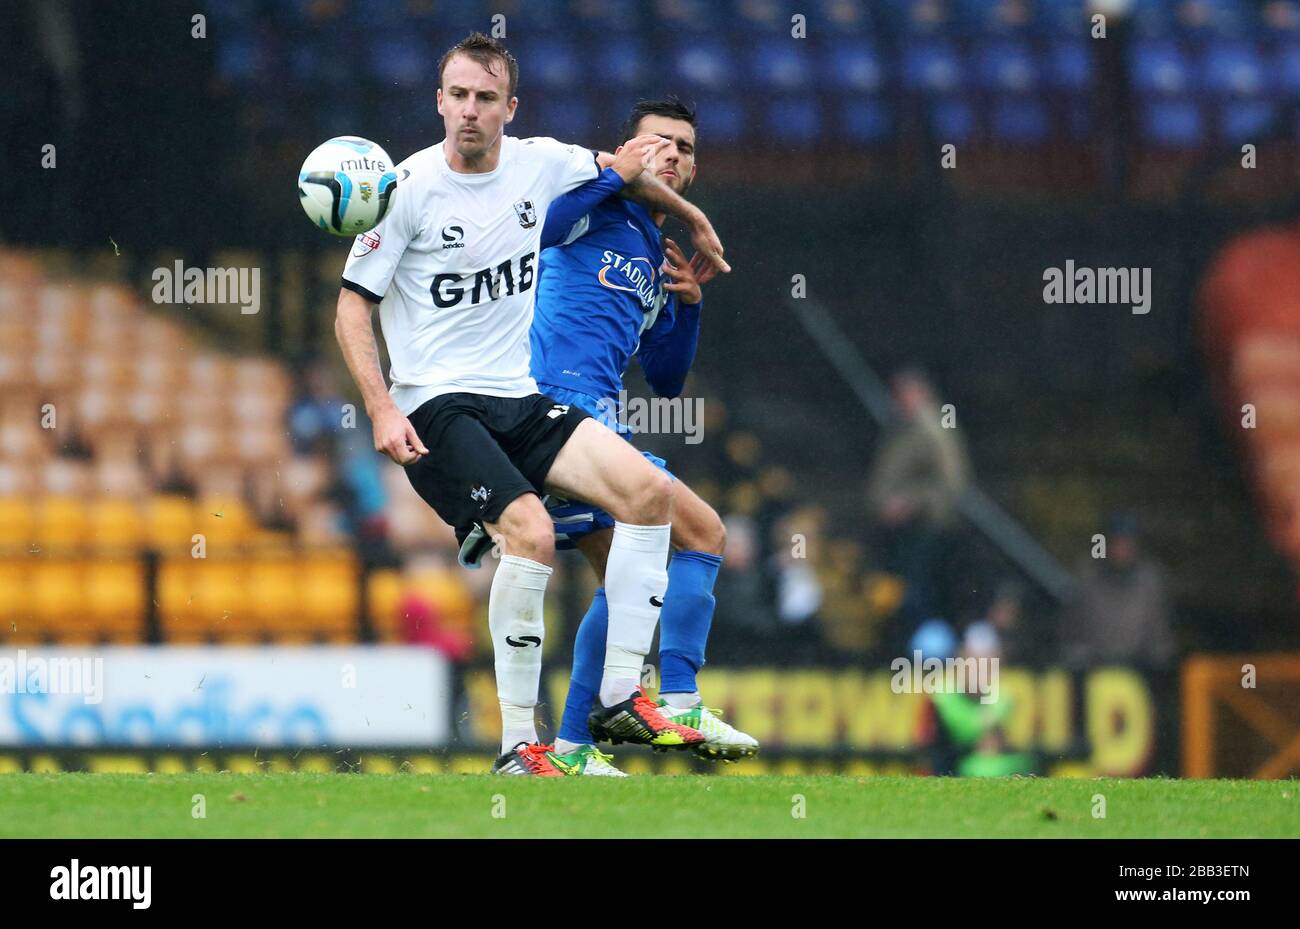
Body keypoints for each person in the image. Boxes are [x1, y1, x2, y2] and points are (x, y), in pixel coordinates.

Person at [333, 34, 729, 776]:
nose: (470, 111)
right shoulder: (405, 188)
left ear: (510, 108)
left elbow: (625, 171)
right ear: (439, 101)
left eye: (486, 98)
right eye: (457, 95)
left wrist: (691, 217)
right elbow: (352, 309)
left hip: (518, 398)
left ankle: (618, 696)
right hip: (436, 408)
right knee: (533, 532)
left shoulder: (542, 162)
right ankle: (521, 742)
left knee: (648, 494)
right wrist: (382, 409)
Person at [519, 97, 760, 773]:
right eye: (660, 141)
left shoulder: (657, 251)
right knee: (706, 533)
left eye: (686, 146)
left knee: (618, 587)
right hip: (556, 409)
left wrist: (687, 307)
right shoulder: (596, 205)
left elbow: (665, 379)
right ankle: (679, 696)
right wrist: (611, 175)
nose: (675, 154)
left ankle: (569, 748)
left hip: (601, 422)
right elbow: (542, 228)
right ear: (628, 150)